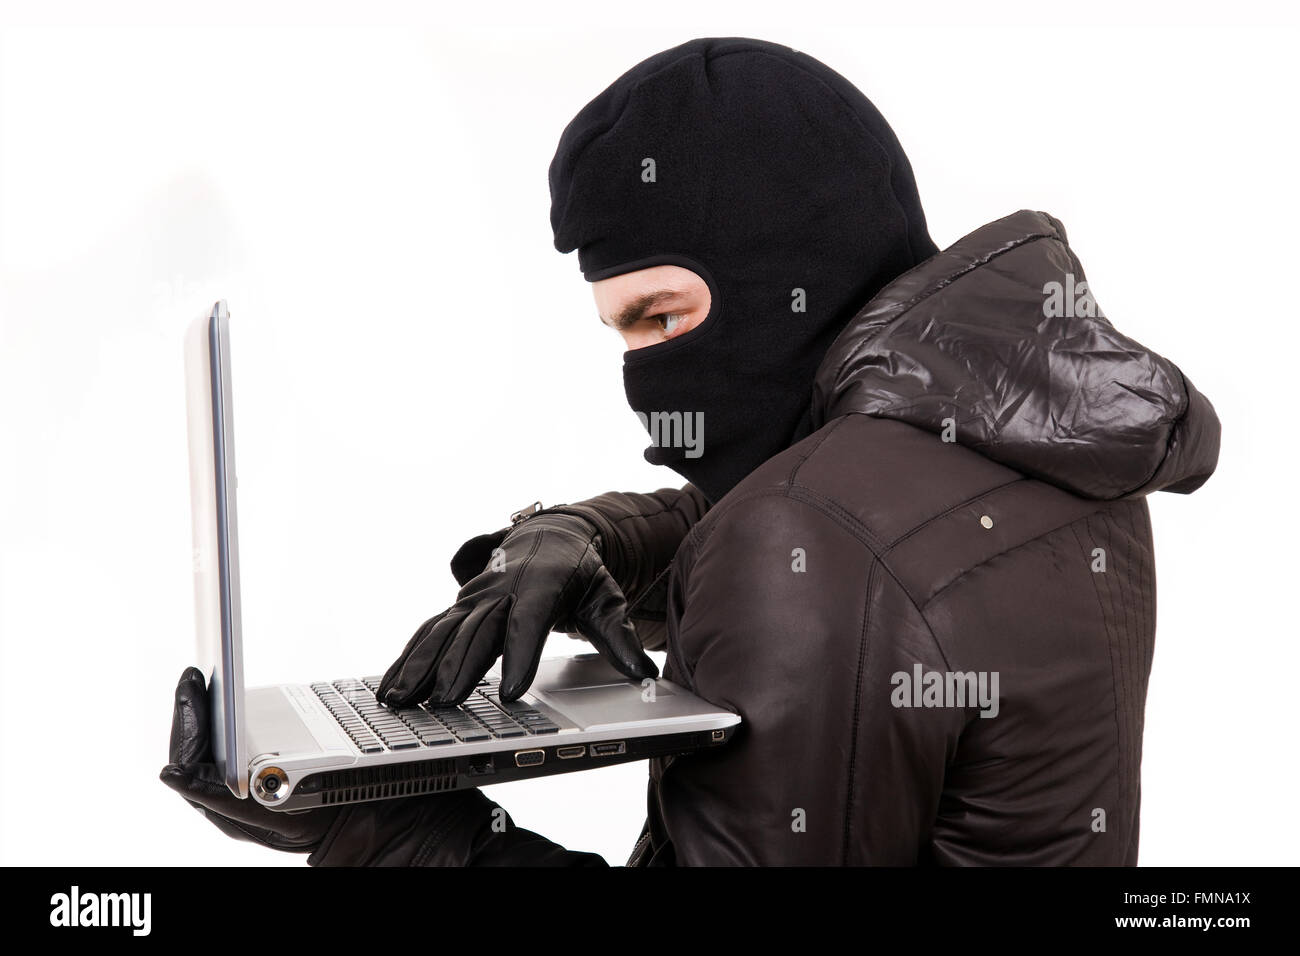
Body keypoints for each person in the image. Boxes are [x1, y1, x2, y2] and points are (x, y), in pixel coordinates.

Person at [162, 37, 1220, 866]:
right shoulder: (1039, 428)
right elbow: (830, 530)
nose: (641, 377)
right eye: (619, 330)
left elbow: (802, 546)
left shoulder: (810, 535)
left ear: (785, 265)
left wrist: (381, 825)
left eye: (661, 317)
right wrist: (578, 535)